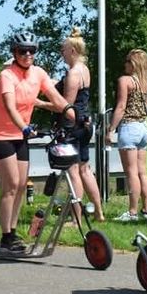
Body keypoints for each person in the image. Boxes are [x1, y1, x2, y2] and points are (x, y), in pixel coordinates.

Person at [0, 32, 75, 253]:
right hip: (0, 137)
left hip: (20, 137)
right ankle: (6, 237)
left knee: (21, 186)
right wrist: (24, 127)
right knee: (11, 185)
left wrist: (73, 114)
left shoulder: (39, 73)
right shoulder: (7, 75)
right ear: (14, 53)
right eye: (22, 51)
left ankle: (13, 232)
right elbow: (9, 106)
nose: (27, 55)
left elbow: (55, 97)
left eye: (31, 51)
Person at [37, 27, 106, 222]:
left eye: (64, 49)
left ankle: (76, 218)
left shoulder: (73, 74)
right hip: (84, 123)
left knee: (73, 172)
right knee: (85, 169)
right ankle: (99, 213)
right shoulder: (84, 70)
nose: (62, 53)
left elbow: (64, 106)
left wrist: (40, 103)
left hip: (72, 126)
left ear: (73, 51)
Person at [107, 49, 147, 222]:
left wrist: (111, 129)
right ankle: (146, 210)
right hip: (143, 127)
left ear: (134, 63)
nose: (125, 64)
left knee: (131, 173)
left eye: (128, 61)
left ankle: (132, 212)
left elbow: (121, 107)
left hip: (129, 127)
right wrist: (143, 107)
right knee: (142, 172)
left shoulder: (125, 81)